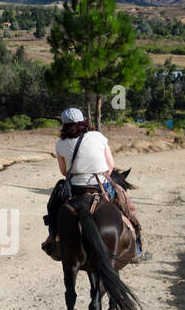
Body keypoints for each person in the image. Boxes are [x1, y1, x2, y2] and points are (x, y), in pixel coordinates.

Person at [43, 108, 148, 261]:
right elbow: (110, 165)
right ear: (83, 121)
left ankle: (53, 238)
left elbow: (64, 172)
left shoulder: (60, 144)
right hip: (102, 185)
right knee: (127, 208)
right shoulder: (98, 136)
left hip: (75, 188)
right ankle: (137, 250)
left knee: (54, 206)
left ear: (64, 124)